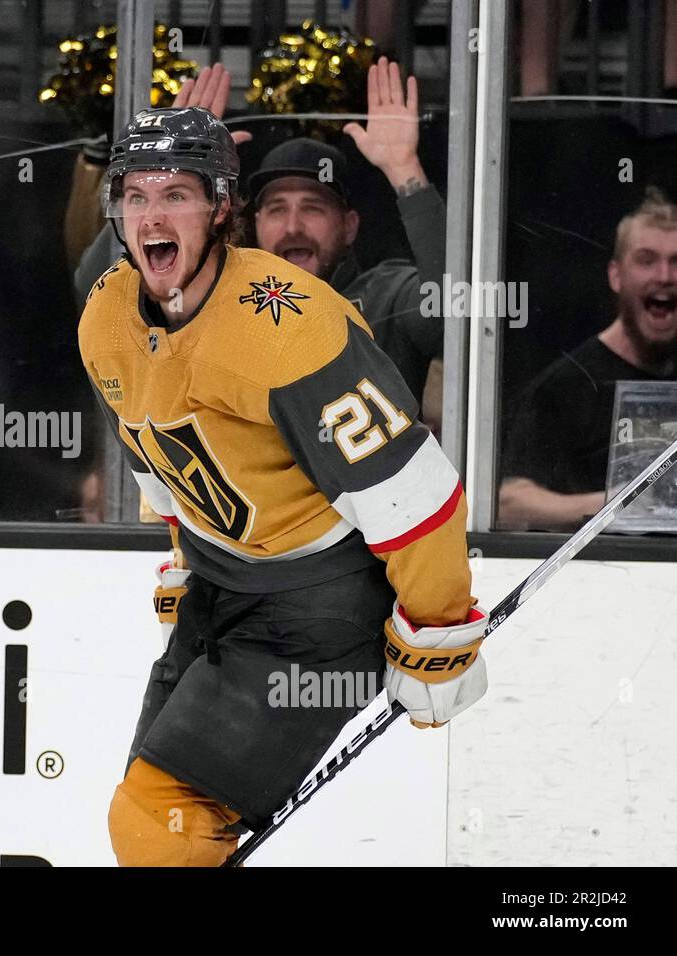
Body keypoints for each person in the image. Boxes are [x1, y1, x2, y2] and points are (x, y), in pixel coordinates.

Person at [78, 106, 487, 867]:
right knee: (153, 825)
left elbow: (414, 494)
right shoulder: (105, 316)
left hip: (319, 611)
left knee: (157, 822)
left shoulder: (290, 329)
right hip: (220, 585)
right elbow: (158, 456)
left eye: (176, 195)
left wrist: (437, 633)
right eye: (135, 196)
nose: (151, 214)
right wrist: (180, 568)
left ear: (221, 209)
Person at [247, 58, 445, 407]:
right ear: (257, 223)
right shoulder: (224, 301)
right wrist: (180, 185)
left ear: (349, 226)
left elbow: (454, 309)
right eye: (277, 209)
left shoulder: (388, 295)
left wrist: (405, 171)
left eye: (312, 208)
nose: (293, 226)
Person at [500, 187, 677, 531]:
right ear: (615, 275)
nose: (664, 276)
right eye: (646, 259)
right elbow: (509, 503)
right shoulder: (564, 386)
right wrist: (617, 504)